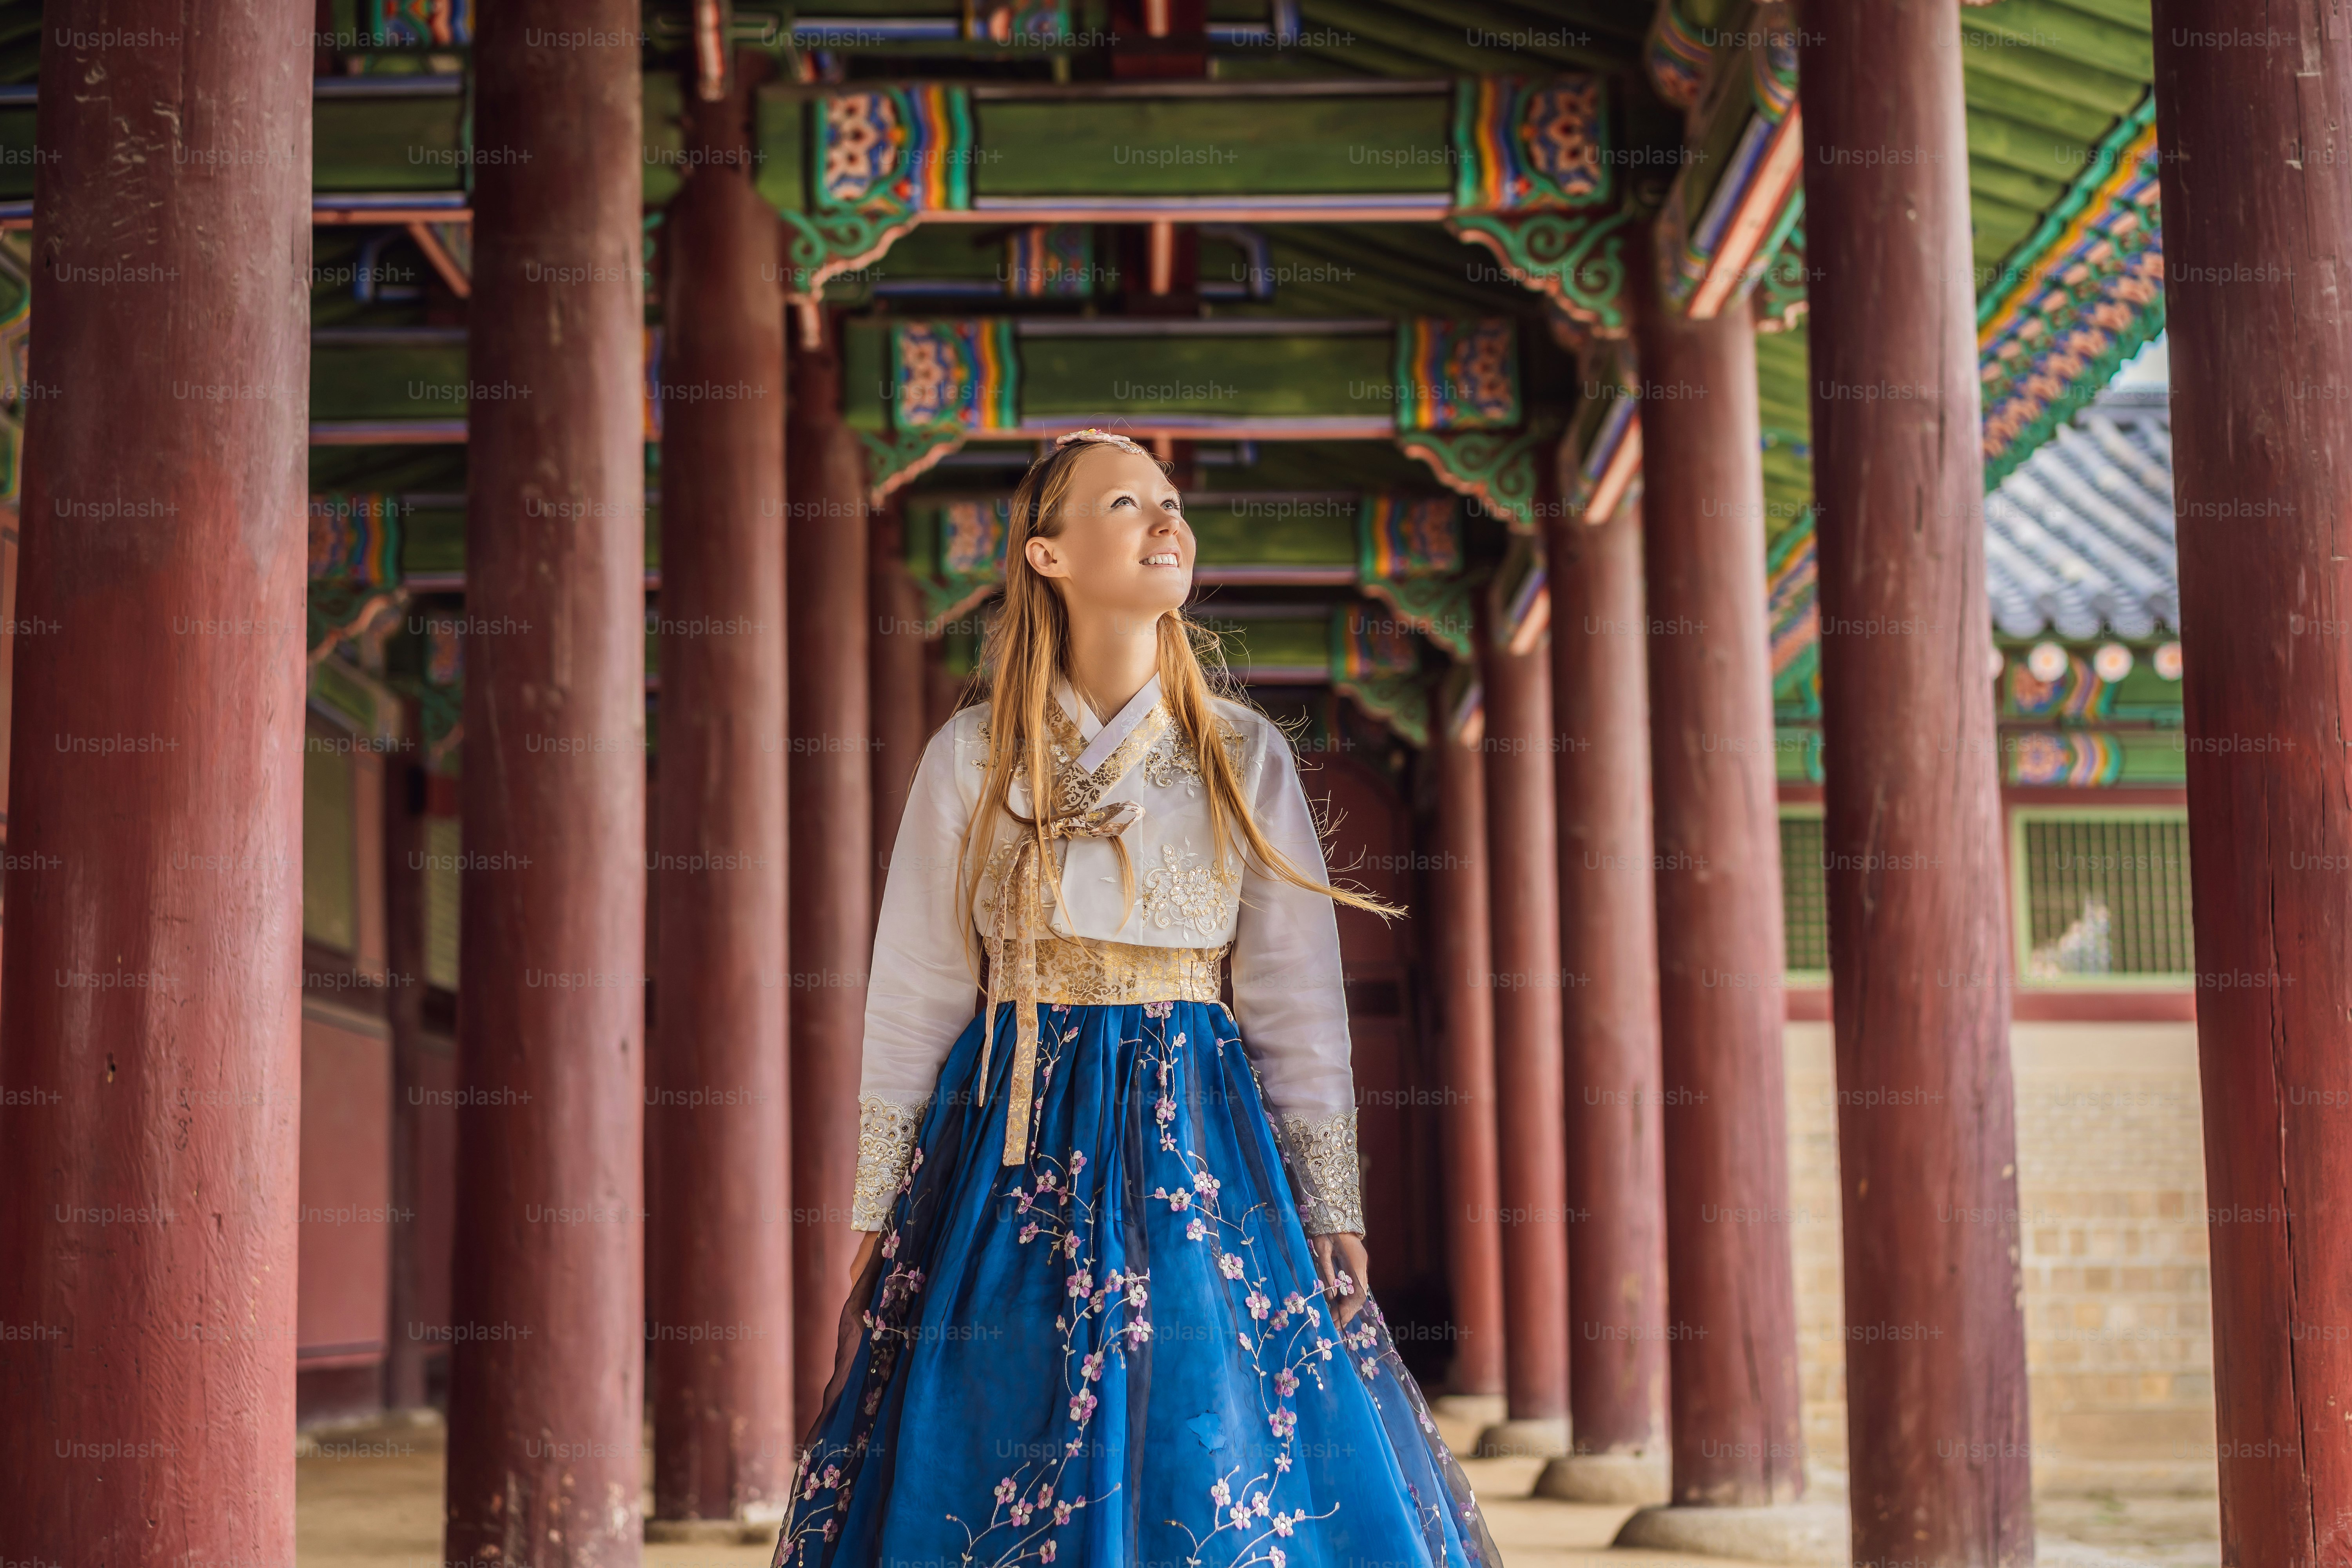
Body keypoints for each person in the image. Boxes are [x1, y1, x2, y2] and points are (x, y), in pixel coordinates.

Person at [774, 429, 1500, 1568]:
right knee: (1002, 1396)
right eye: (1126, 503)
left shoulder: (1240, 753)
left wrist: (1332, 1204)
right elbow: (914, 993)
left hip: (1196, 1127)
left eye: (1171, 501)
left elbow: (1296, 1004)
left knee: (1205, 1405)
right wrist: (877, 1210)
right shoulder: (972, 756)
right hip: (1006, 1132)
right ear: (1048, 555)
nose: (1168, 520)